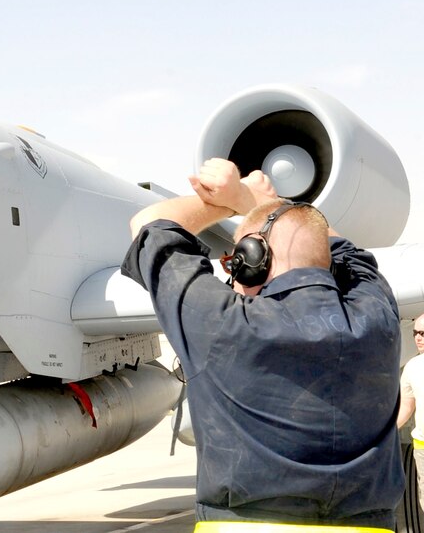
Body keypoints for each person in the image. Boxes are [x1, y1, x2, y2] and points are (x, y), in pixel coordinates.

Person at [122, 157, 403, 531]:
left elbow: (148, 224)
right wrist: (261, 203)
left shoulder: (225, 324)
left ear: (254, 259)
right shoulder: (378, 315)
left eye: (236, 260)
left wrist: (233, 200)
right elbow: (340, 249)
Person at [397, 313, 424, 513]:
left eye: (423, 333)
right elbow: (406, 406)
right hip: (421, 448)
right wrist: (385, 432)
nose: (418, 338)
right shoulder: (412, 367)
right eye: (415, 333)